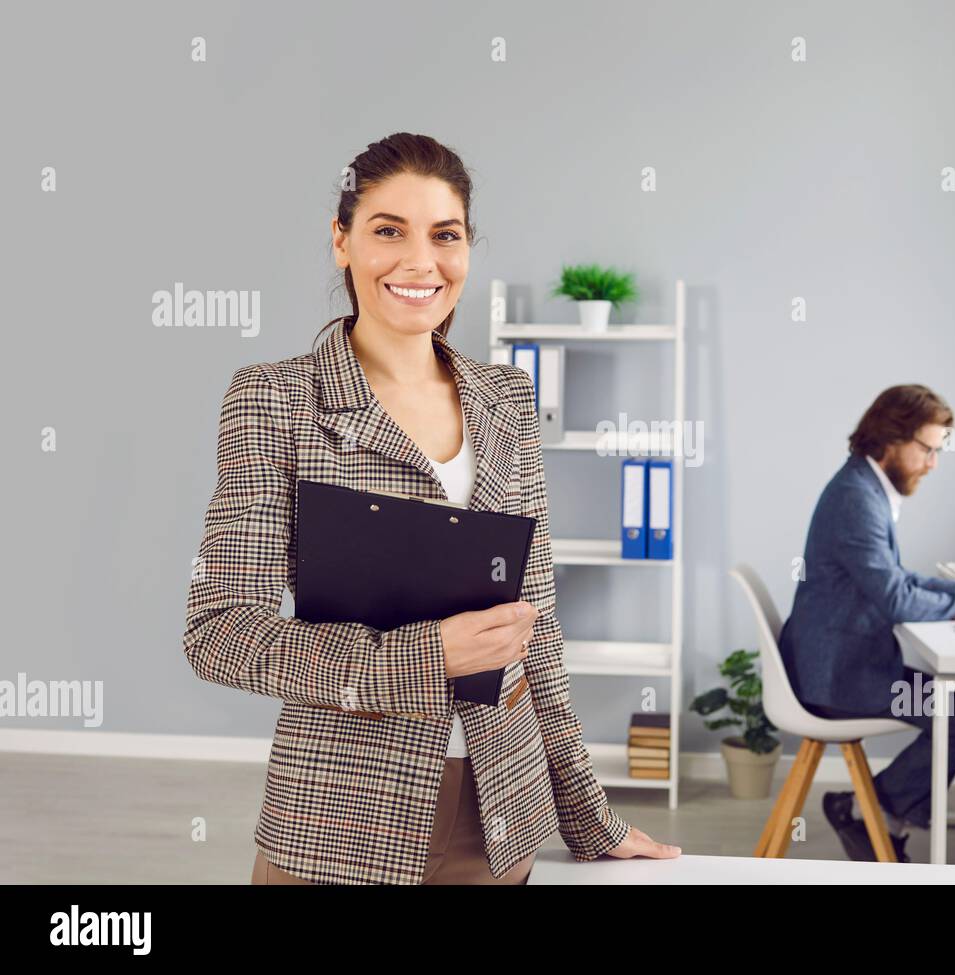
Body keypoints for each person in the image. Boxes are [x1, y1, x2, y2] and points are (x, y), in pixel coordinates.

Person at [183, 132, 679, 884]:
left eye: (445, 235)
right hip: (341, 823)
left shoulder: (507, 399)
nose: (421, 262)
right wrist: (427, 657)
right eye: (389, 231)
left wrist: (587, 816)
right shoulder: (275, 398)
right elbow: (219, 632)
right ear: (342, 241)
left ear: (468, 248)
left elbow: (535, 630)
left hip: (500, 817)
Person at [776, 384, 955, 861]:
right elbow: (897, 598)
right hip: (837, 678)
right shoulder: (857, 498)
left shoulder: (862, 486)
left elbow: (894, 578)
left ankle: (868, 812)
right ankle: (869, 812)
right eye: (927, 450)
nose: (933, 464)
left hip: (841, 663)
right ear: (889, 438)